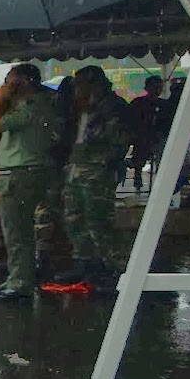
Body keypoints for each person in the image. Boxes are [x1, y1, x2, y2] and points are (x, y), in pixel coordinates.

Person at [44, 66, 129, 294]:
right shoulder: (78, 107)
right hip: (76, 166)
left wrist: (85, 110)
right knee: (74, 218)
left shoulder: (112, 105)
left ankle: (116, 268)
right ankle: (85, 263)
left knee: (97, 220)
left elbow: (112, 137)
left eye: (81, 84)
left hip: (98, 169)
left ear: (94, 83)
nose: (76, 89)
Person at [0, 64, 59, 301]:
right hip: (27, 171)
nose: (6, 86)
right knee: (20, 231)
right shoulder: (42, 103)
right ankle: (19, 277)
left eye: (10, 81)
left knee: (17, 232)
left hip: (19, 173)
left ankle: (20, 282)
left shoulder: (30, 106)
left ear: (23, 83)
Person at [126, 76, 165, 192]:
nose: (157, 91)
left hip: (156, 138)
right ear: (147, 88)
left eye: (159, 88)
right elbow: (130, 121)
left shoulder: (163, 104)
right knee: (142, 143)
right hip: (140, 137)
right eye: (155, 88)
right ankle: (137, 171)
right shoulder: (138, 103)